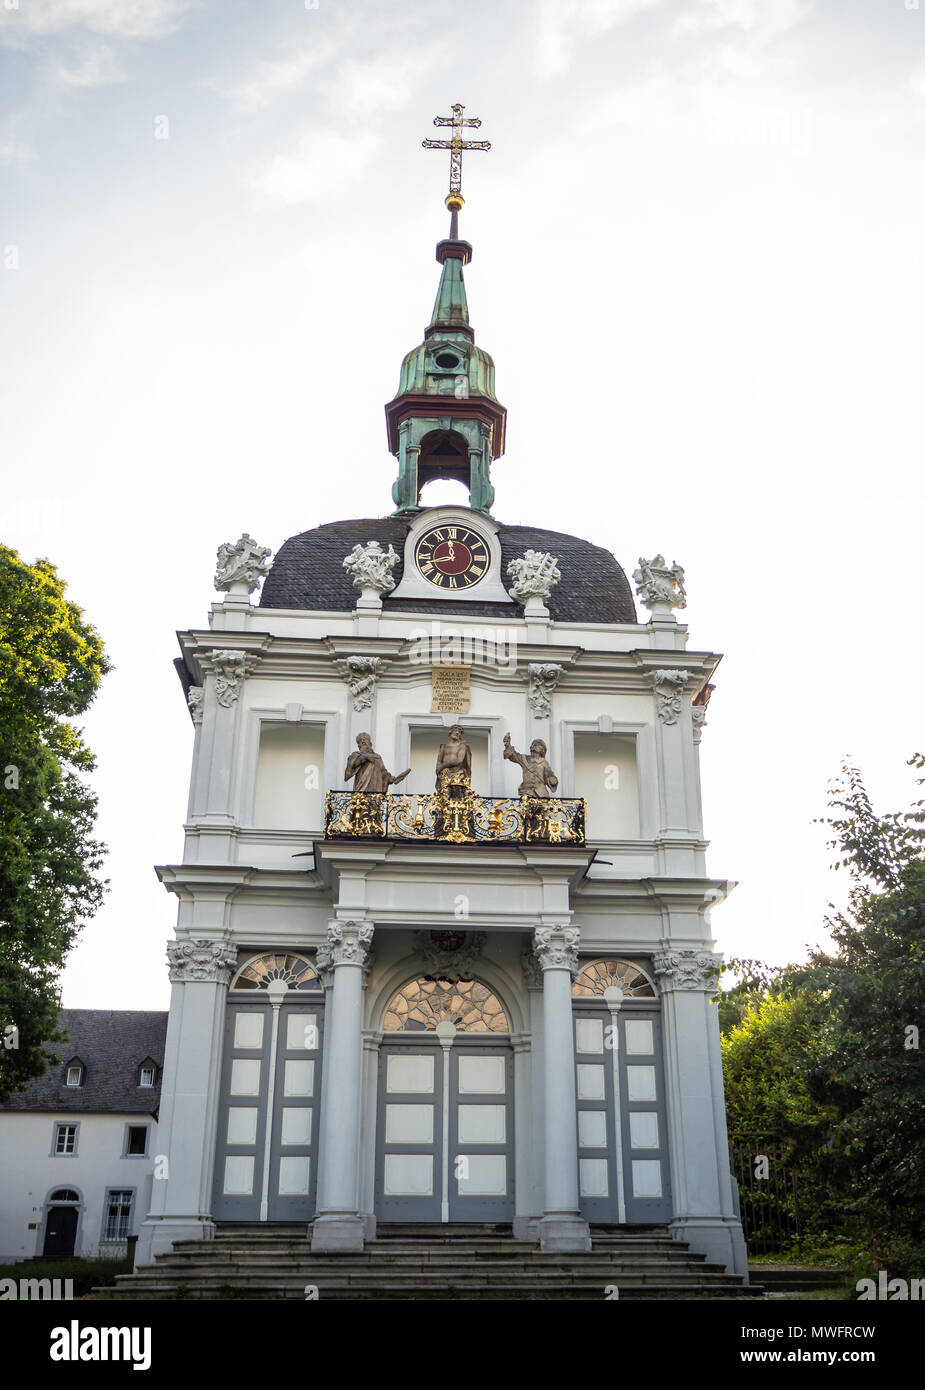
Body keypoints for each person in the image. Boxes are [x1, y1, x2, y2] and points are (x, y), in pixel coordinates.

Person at [344, 733, 410, 795]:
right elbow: (348, 773)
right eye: (361, 743)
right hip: (361, 789)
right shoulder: (356, 755)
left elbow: (383, 772)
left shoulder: (377, 757)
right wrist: (365, 757)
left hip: (375, 789)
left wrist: (391, 779)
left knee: (374, 804)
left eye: (366, 742)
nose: (364, 745)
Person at [503, 733, 559, 798]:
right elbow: (513, 756)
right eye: (533, 744)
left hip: (540, 793)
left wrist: (553, 780)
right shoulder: (524, 759)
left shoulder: (544, 763)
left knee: (543, 808)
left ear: (542, 749)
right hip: (526, 792)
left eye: (536, 745)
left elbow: (549, 776)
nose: (533, 746)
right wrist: (508, 745)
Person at [435, 724, 472, 792]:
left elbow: (459, 760)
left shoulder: (462, 746)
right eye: (455, 730)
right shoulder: (444, 746)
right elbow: (439, 762)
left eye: (460, 732)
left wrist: (443, 766)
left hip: (458, 773)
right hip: (445, 773)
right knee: (444, 794)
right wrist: (439, 770)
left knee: (458, 795)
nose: (457, 733)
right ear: (450, 732)